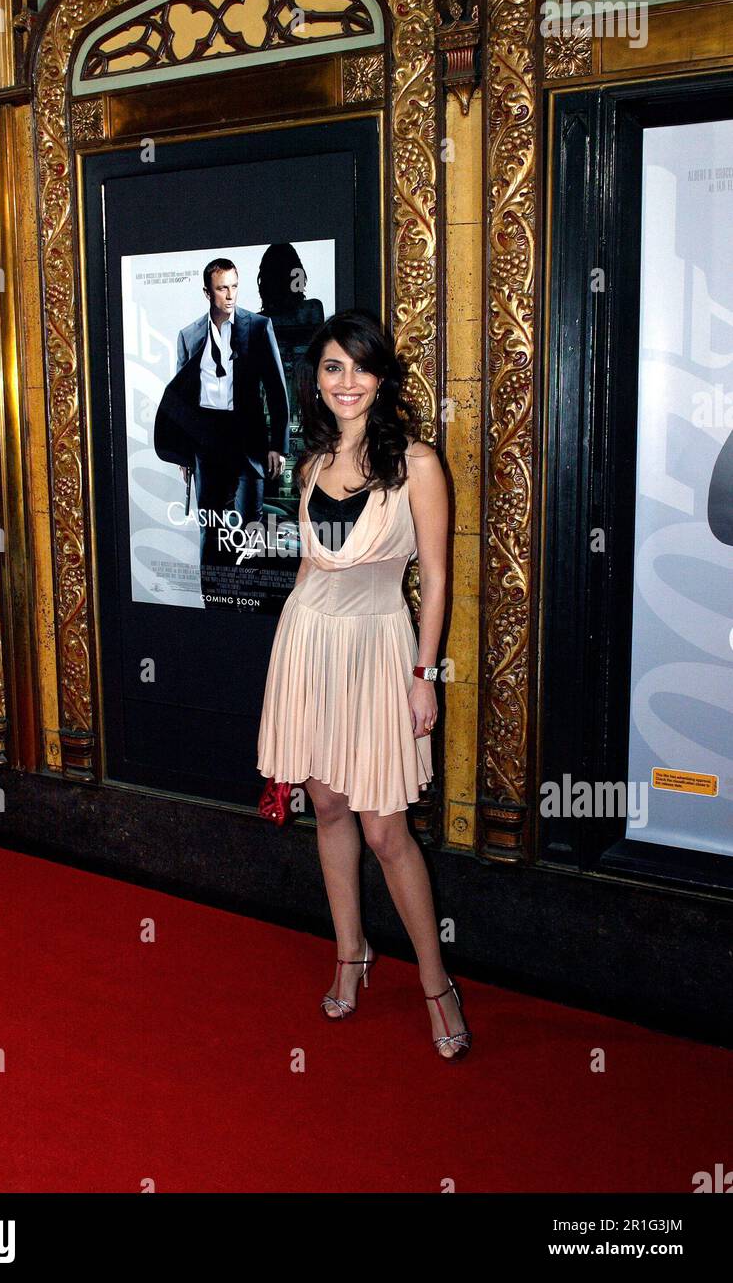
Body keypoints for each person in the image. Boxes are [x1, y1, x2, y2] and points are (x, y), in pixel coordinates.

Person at [256, 309, 472, 1061]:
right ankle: (350, 952)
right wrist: (290, 668)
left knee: (386, 829)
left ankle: (436, 982)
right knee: (326, 804)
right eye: (331, 368)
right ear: (315, 381)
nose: (346, 382)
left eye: (359, 367)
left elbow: (437, 579)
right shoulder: (311, 463)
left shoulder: (417, 463)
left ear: (381, 377)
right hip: (309, 643)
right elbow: (309, 568)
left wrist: (424, 676)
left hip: (381, 649)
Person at [153, 257, 289, 576]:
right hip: (206, 442)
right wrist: (184, 455)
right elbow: (181, 405)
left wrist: (277, 446)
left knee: (250, 527)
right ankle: (212, 599)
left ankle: (249, 599)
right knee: (210, 528)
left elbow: (276, 387)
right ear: (207, 292)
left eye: (234, 287)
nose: (230, 295)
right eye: (222, 288)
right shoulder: (189, 335)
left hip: (248, 441)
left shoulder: (257, 327)